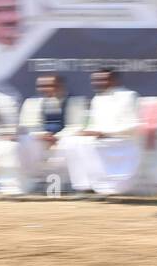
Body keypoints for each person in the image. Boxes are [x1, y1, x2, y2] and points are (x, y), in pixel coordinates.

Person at [56, 67, 142, 195]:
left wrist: (105, 133)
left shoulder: (129, 96)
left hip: (121, 140)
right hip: (100, 138)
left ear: (114, 80)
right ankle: (85, 187)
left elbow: (134, 125)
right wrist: (87, 131)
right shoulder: (98, 98)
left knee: (84, 143)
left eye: (102, 80)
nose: (97, 83)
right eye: (95, 80)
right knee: (70, 142)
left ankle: (105, 188)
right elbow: (93, 125)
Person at [0, 74, 86, 194]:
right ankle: (28, 183)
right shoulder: (31, 102)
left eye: (49, 85)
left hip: (64, 139)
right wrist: (41, 135)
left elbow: (76, 125)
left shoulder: (76, 101)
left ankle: (75, 186)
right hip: (40, 139)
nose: (45, 89)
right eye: (42, 86)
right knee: (20, 143)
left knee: (73, 143)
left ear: (60, 85)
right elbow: (27, 126)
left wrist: (56, 137)